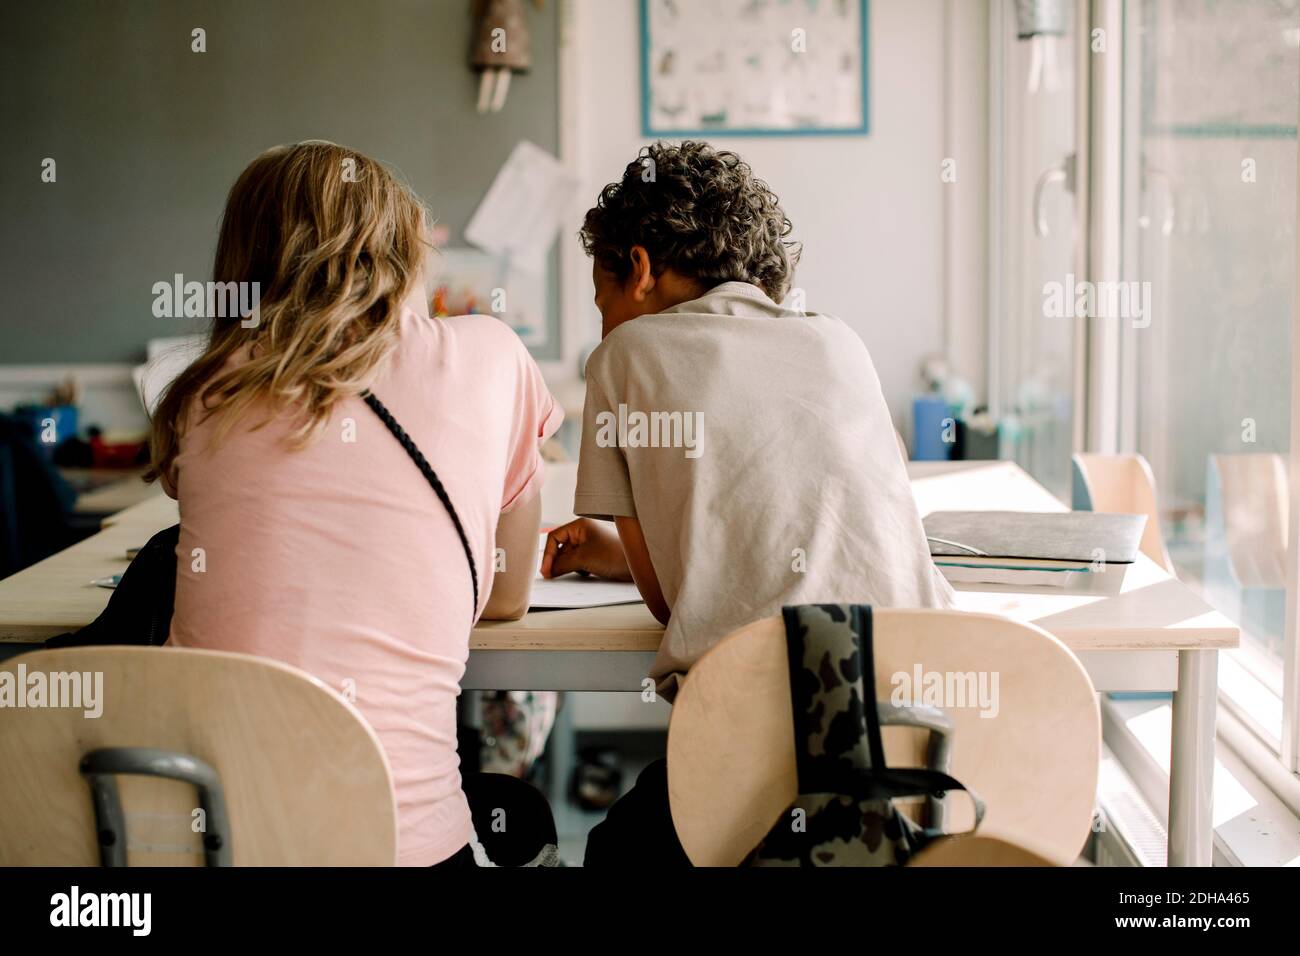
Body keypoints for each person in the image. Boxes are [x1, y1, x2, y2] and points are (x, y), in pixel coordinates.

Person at [542, 141, 953, 865]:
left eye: (599, 292)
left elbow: (673, 603)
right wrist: (618, 554)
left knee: (612, 853)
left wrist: (633, 556)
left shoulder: (624, 356)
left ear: (638, 269)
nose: (603, 315)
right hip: (911, 751)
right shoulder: (838, 341)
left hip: (758, 757)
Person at [152, 141, 561, 866]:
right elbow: (504, 597)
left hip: (212, 845)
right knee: (517, 813)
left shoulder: (202, 393)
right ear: (402, 246)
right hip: (406, 848)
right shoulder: (491, 355)